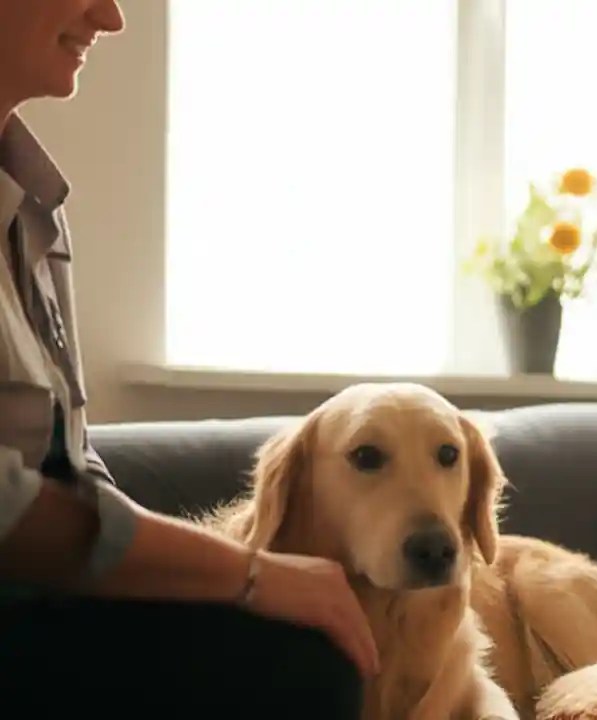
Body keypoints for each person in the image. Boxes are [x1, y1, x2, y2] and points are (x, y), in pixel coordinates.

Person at [0, 2, 379, 715]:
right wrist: (249, 573)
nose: (109, 17)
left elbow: (75, 469)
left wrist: (218, 579)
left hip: (43, 607)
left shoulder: (35, 208)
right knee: (296, 666)